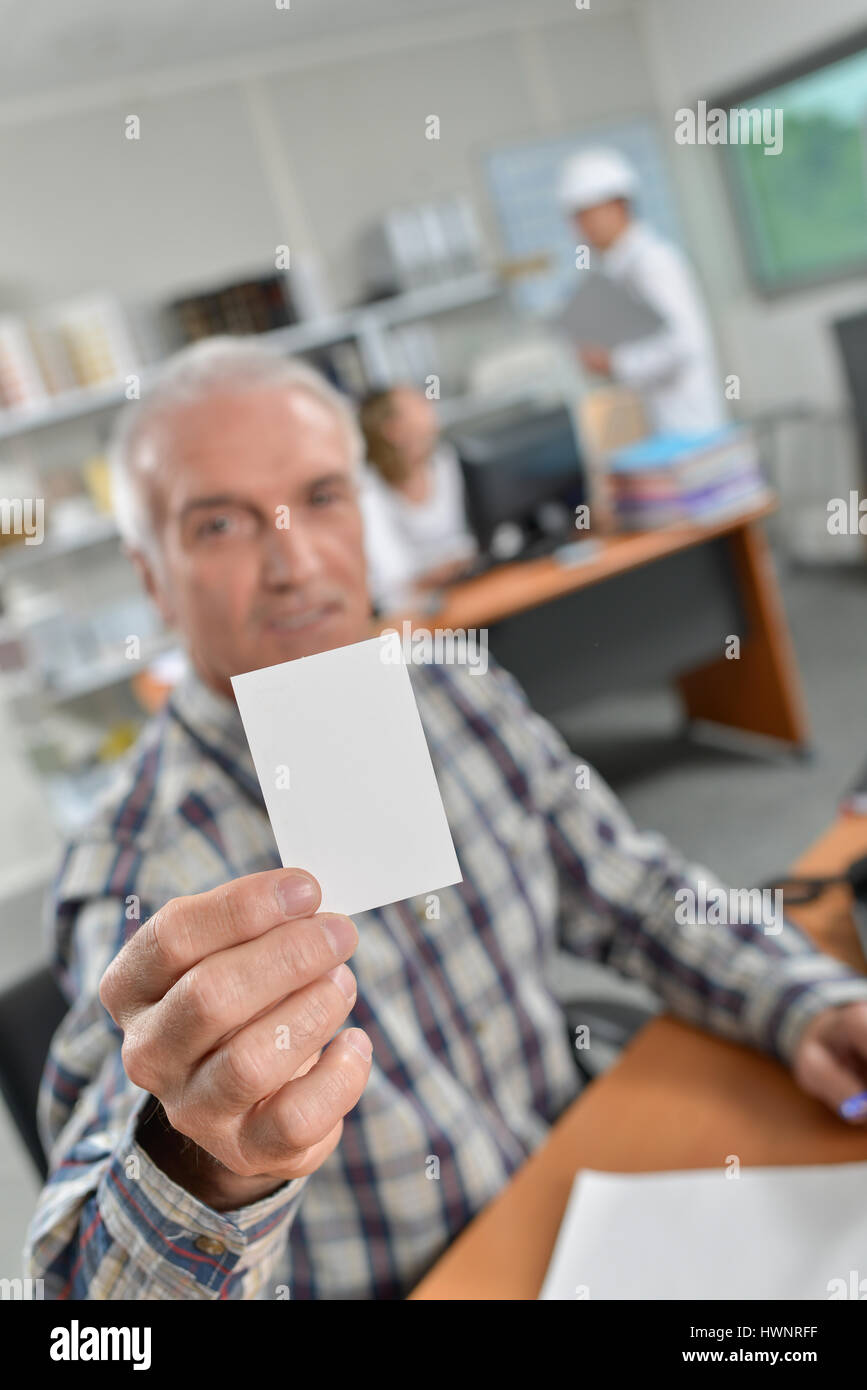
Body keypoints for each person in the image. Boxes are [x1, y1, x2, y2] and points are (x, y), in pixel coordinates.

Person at [25, 337, 867, 1301]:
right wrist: (204, 1166)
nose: (295, 563)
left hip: (588, 1206)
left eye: (324, 498)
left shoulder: (447, 685)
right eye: (221, 525)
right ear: (150, 575)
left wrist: (805, 999)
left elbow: (629, 888)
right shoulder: (137, 865)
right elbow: (85, 1310)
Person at [557, 147, 727, 436]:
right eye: (576, 219)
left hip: (690, 429)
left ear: (617, 206)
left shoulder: (653, 262)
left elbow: (685, 343)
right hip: (658, 427)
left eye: (586, 216)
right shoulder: (618, 269)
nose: (581, 230)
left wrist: (615, 362)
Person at [358, 385, 477, 610]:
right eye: (419, 404)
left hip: (469, 587)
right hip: (417, 612)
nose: (431, 406)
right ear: (393, 429)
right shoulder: (368, 491)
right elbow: (391, 580)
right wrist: (440, 572)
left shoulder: (447, 461)